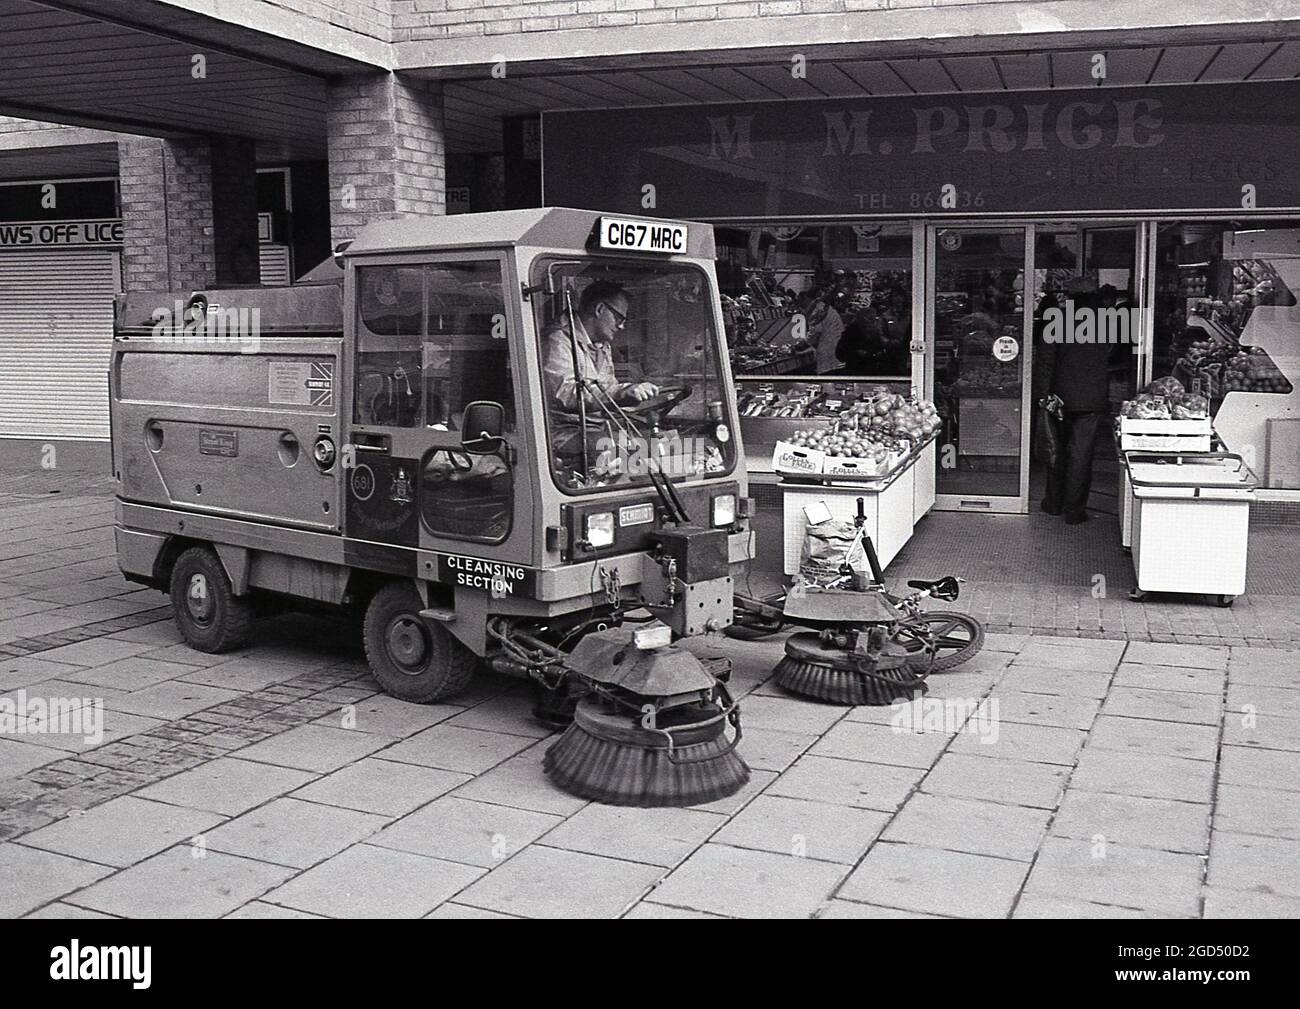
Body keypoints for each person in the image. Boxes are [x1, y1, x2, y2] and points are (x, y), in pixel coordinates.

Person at [1037, 285, 1111, 524]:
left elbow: (1046, 361)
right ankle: (1074, 510)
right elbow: (1118, 356)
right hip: (1091, 399)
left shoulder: (1056, 321)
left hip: (1060, 398)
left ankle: (1053, 503)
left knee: (1056, 451)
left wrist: (1042, 394)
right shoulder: (1108, 324)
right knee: (1081, 455)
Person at [542, 280, 658, 410]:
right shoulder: (558, 338)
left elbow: (608, 387)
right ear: (600, 309)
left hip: (599, 424)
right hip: (568, 428)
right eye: (619, 318)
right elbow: (565, 393)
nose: (621, 326)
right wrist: (621, 393)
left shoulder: (601, 344)